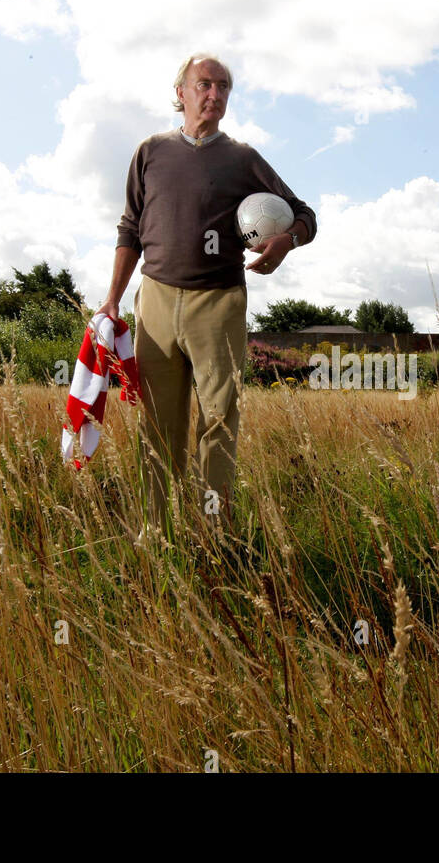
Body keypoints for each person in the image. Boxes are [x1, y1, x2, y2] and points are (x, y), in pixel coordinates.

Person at [95, 52, 316, 545]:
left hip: (218, 302)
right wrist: (112, 299)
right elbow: (130, 227)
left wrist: (287, 240)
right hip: (154, 300)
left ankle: (215, 534)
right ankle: (157, 533)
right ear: (181, 92)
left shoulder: (242, 158)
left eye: (223, 87)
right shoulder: (150, 151)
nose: (213, 94)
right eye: (204, 85)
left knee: (218, 422)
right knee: (158, 426)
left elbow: (305, 214)